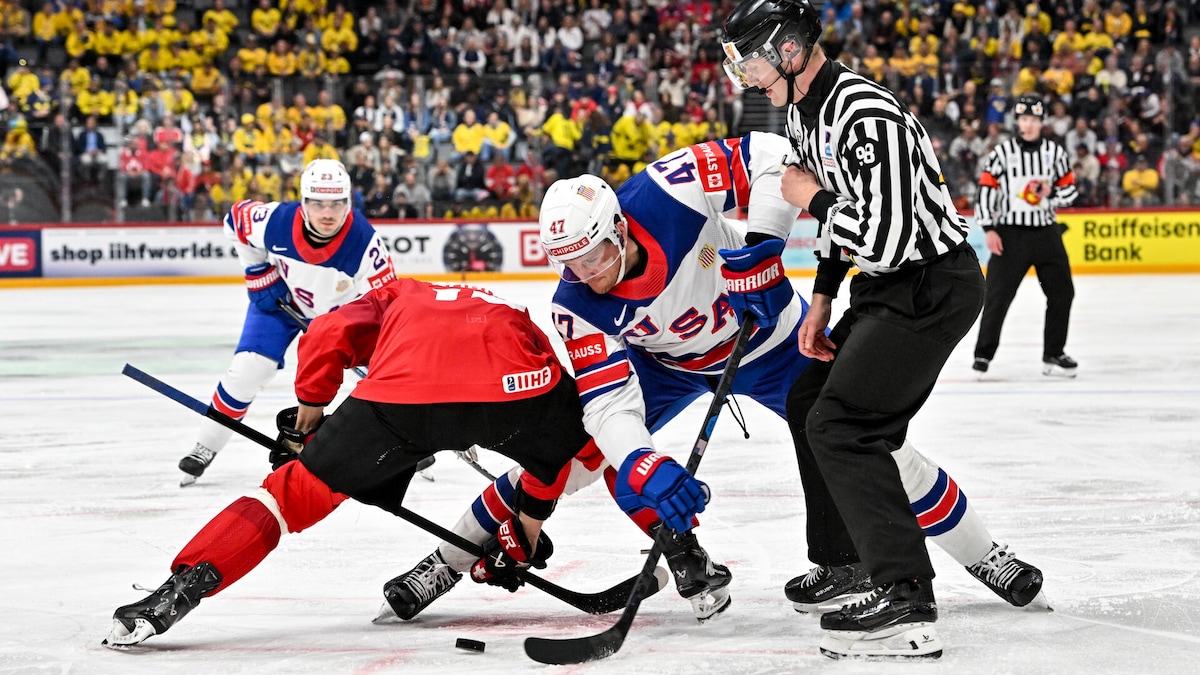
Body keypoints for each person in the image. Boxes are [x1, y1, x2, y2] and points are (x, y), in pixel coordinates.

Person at [385, 130, 1042, 638]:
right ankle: (443, 561)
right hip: (665, 364)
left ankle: (987, 555)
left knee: (871, 444)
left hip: (771, 342)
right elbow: (609, 402)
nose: (585, 273)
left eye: (592, 254)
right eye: (567, 264)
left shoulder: (666, 189)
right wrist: (644, 463)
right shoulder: (575, 303)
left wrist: (762, 247)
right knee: (565, 458)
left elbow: (769, 154)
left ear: (616, 225)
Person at [720, 0, 1042, 658]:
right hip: (888, 284)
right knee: (810, 398)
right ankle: (849, 561)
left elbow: (885, 234)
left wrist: (805, 196)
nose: (746, 77)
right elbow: (851, 226)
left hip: (929, 285)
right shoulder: (805, 112)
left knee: (846, 425)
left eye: (751, 60)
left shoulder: (864, 113)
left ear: (787, 51)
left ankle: (905, 596)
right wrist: (821, 297)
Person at [103, 278, 596, 648]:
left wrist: (306, 426)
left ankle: (180, 589)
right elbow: (548, 434)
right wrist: (523, 538)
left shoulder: (396, 295)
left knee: (285, 496)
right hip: (510, 396)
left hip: (399, 403)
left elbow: (325, 332)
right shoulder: (510, 306)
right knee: (571, 448)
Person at [176, 159, 397, 485]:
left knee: (380, 376)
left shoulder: (365, 243)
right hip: (280, 302)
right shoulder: (275, 220)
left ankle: (403, 448)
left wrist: (368, 344)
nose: (327, 213)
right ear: (303, 202)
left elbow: (388, 305)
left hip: (336, 318)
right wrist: (258, 271)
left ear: (348, 203)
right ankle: (205, 446)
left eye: (336, 204)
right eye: (318, 203)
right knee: (248, 370)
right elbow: (234, 220)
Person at [972, 94, 1079, 377]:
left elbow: (1070, 191)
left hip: (1046, 232)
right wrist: (989, 228)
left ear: (1042, 122)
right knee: (997, 296)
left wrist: (1051, 193)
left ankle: (1053, 353)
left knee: (1063, 293)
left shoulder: (1055, 153)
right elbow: (986, 191)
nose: (1028, 125)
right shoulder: (1002, 153)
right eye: (1023, 119)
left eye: (1033, 119)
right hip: (1010, 233)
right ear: (1017, 121)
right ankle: (983, 354)